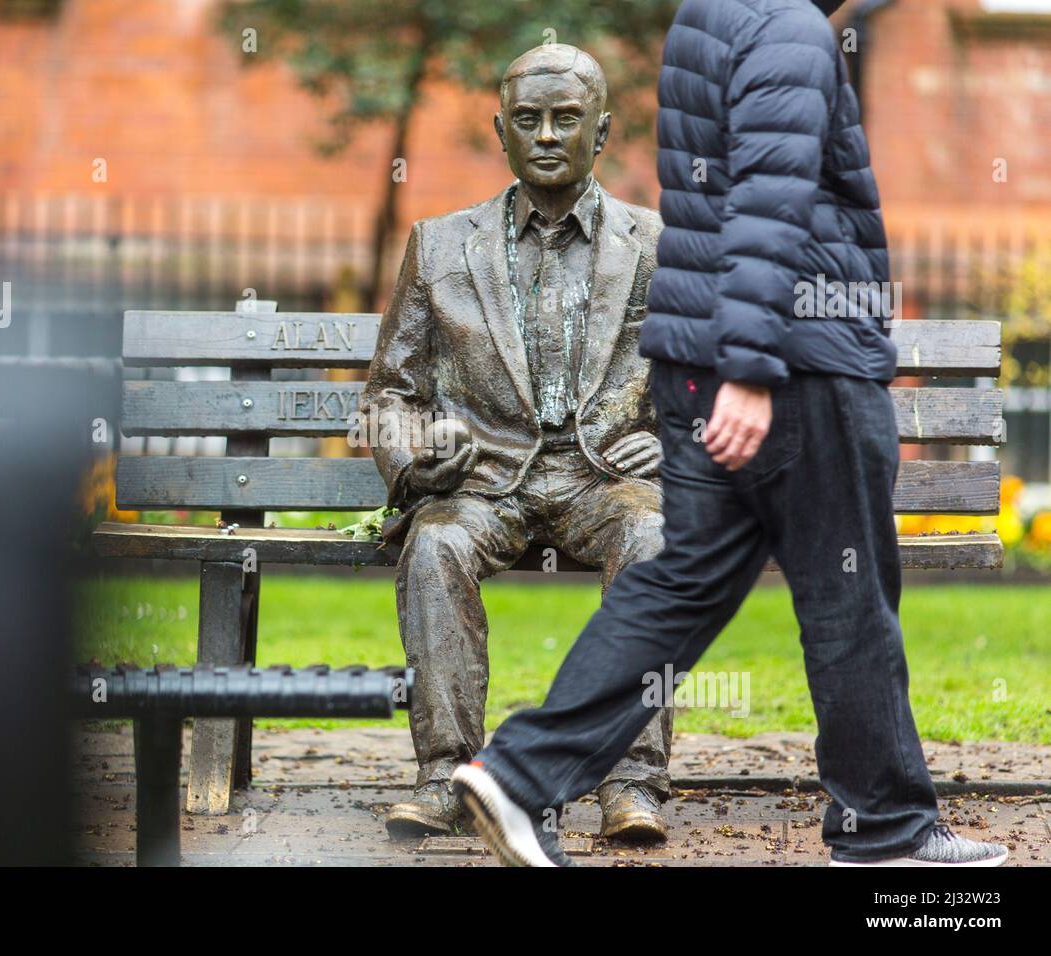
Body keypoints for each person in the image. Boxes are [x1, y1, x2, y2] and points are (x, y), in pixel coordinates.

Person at [453, 0, 1008, 867]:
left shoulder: (708, 19)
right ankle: (889, 830)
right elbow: (767, 201)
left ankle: (519, 773)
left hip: (696, 358)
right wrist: (751, 367)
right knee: (849, 600)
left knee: (683, 584)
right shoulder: (790, 29)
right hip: (794, 366)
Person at [362, 44, 674, 841]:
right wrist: (415, 453)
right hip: (484, 478)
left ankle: (631, 782)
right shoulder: (438, 246)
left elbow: (709, 374)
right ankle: (447, 777)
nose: (545, 136)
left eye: (566, 120)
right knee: (433, 547)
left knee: (652, 533)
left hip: (604, 476)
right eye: (527, 121)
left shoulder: (655, 242)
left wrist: (677, 443)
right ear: (499, 131)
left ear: (601, 133)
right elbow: (391, 393)